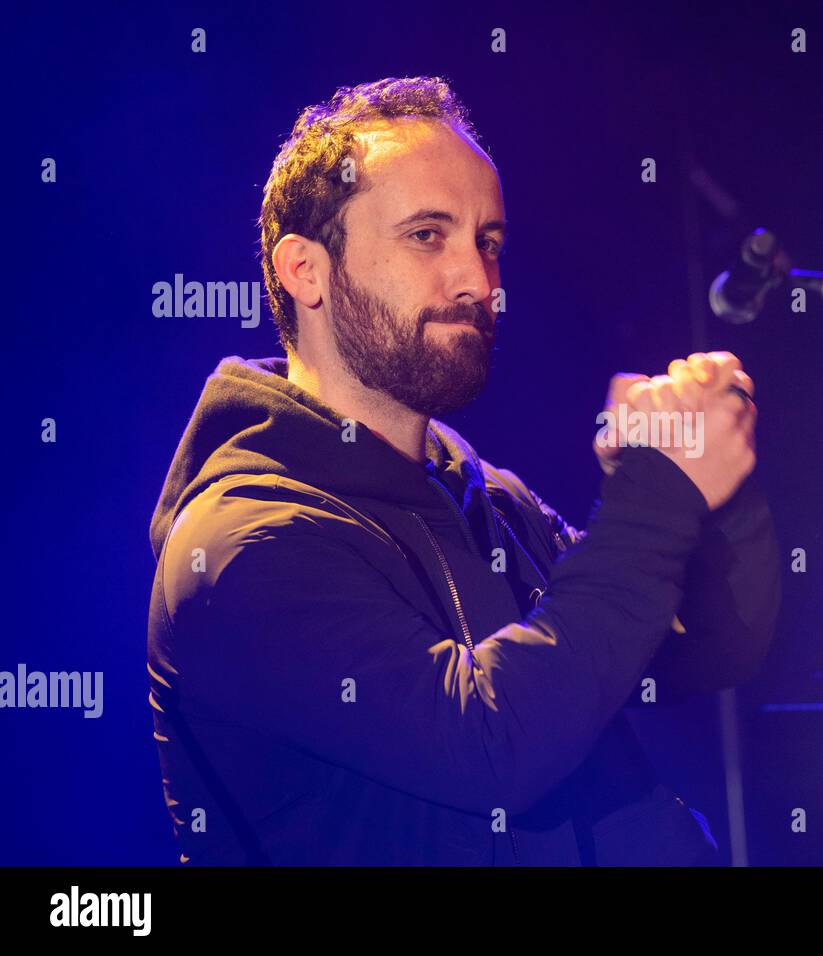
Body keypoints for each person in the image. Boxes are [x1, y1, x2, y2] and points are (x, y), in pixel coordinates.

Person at [146, 76, 780, 865]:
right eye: (426, 236)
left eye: (488, 241)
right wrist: (660, 491)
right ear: (303, 271)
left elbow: (703, 648)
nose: (479, 282)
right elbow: (490, 745)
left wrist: (711, 484)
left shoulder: (488, 499)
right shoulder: (244, 545)